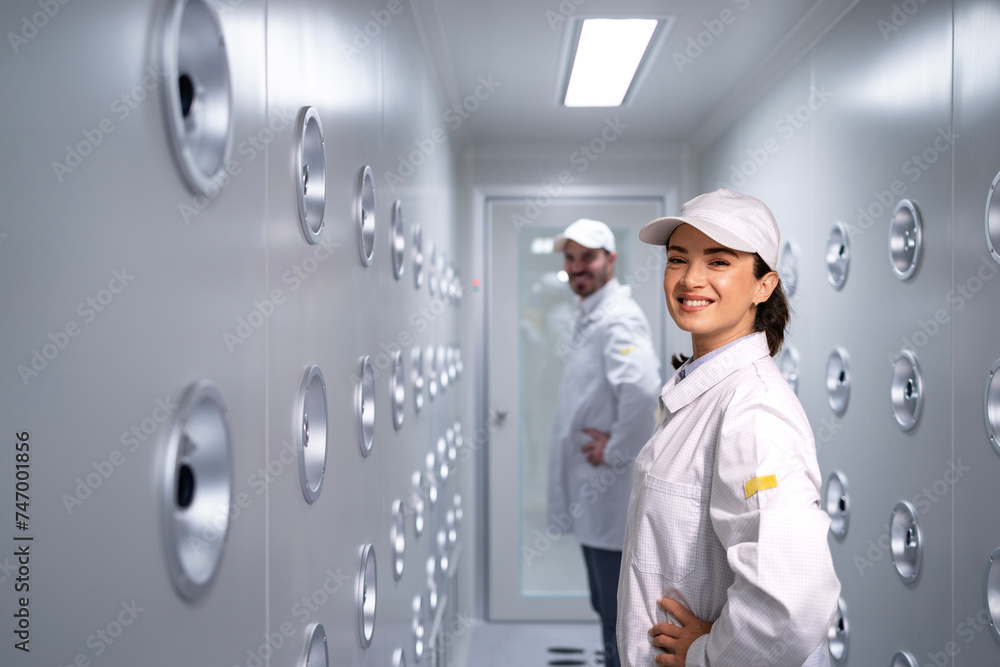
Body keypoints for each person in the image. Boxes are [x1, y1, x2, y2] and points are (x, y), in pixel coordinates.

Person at [616, 190, 841, 667]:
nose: (690, 279)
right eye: (678, 259)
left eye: (718, 261)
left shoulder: (752, 412)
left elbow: (793, 600)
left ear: (765, 286)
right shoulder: (703, 388)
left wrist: (706, 656)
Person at [547, 218, 662, 667]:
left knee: (617, 611)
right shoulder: (594, 311)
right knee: (605, 603)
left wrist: (613, 448)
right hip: (595, 489)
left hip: (609, 489)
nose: (577, 268)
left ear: (610, 260)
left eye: (587, 258)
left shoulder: (618, 317)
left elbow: (640, 389)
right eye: (571, 259)